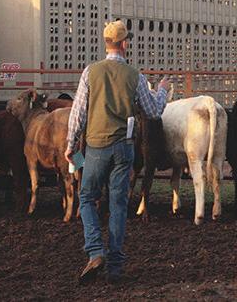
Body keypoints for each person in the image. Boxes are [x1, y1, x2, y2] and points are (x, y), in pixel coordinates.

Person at [65, 19, 170, 285]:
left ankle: (95, 250)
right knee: (119, 205)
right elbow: (153, 112)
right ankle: (115, 268)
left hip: (96, 146)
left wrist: (70, 144)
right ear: (125, 43)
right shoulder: (136, 76)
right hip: (124, 147)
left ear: (106, 42)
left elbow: (78, 113)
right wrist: (162, 91)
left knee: (87, 197)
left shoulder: (90, 72)